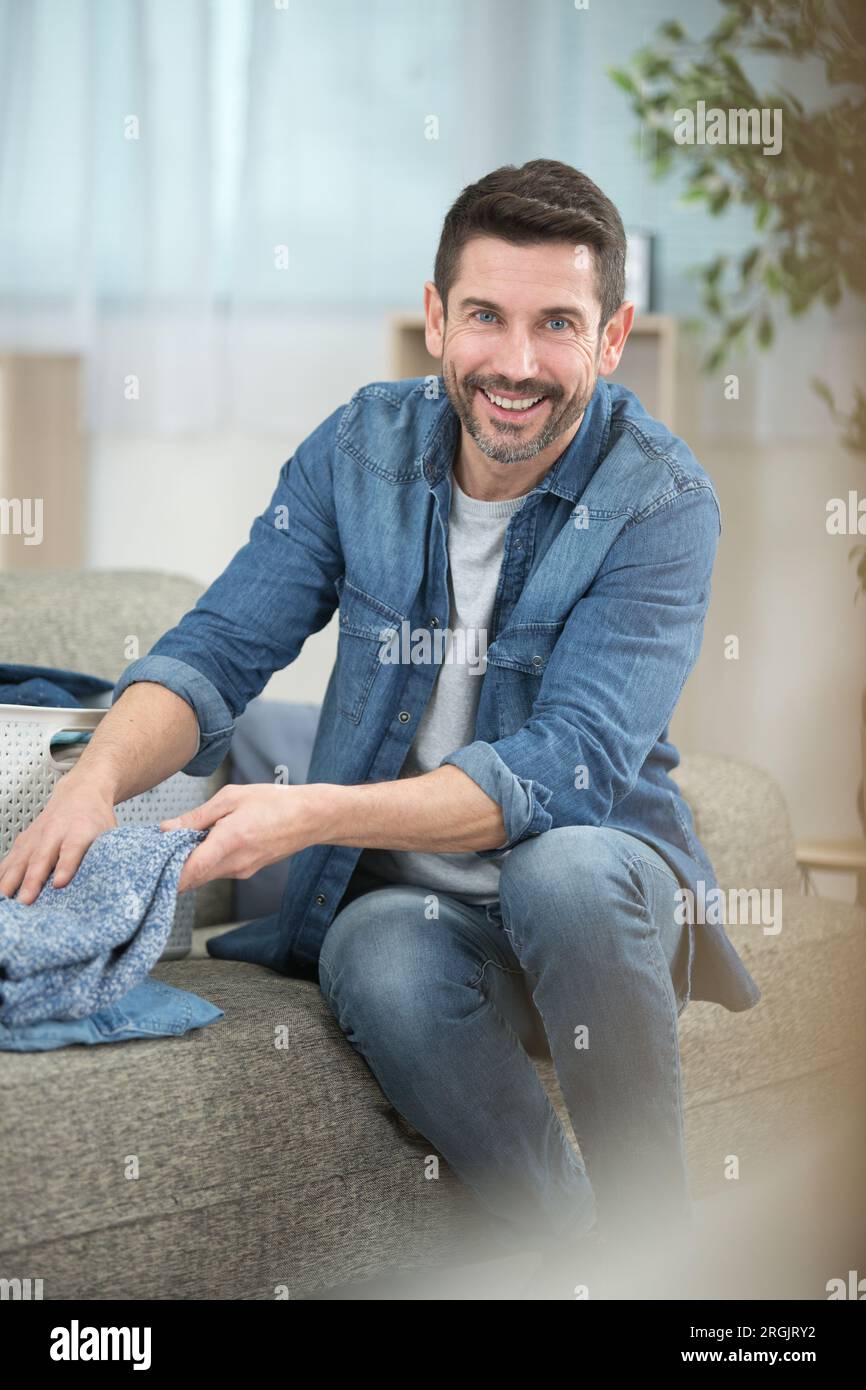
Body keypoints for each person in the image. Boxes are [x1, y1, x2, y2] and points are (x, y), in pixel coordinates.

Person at [0, 159, 761, 1289]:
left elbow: (561, 770)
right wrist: (93, 780)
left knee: (557, 868)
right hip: (425, 917)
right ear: (434, 318)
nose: (513, 362)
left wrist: (307, 811)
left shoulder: (660, 500)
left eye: (556, 323)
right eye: (484, 317)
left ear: (610, 339)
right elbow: (216, 649)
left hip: (598, 904)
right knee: (370, 949)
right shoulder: (359, 449)